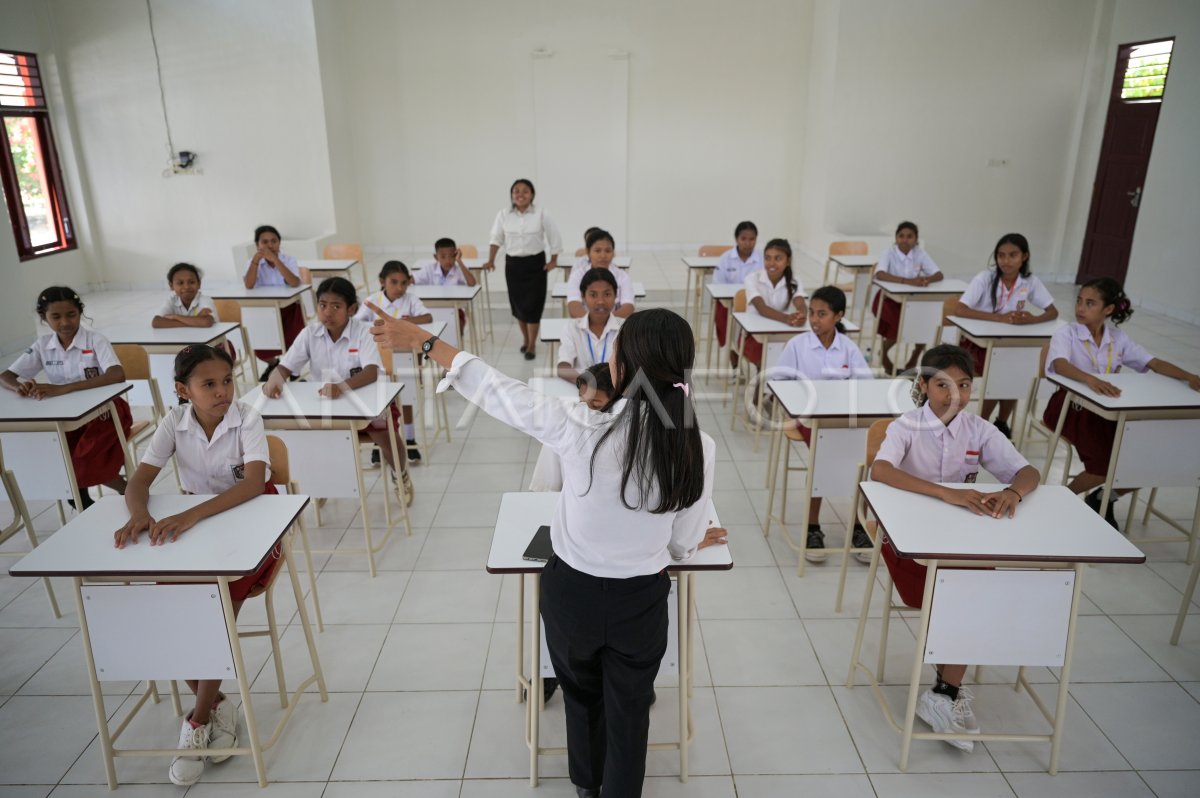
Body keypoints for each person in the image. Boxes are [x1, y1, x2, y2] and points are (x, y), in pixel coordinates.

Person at [367, 305, 727, 798]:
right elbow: (682, 543)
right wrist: (687, 538)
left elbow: (499, 392)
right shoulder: (697, 444)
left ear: (623, 367)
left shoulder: (581, 425)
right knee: (630, 706)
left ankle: (586, 785)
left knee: (581, 697)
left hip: (571, 595)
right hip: (641, 601)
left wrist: (428, 343)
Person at [112, 345, 274, 786]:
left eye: (227, 381)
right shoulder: (173, 422)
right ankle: (221, 703)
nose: (222, 391)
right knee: (172, 614)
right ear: (183, 390)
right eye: (209, 384)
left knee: (215, 613)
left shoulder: (248, 418)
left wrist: (191, 514)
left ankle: (198, 721)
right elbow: (140, 480)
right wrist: (139, 513)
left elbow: (256, 483)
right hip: (203, 530)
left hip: (256, 526)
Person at [871, 344, 1040, 751]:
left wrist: (1013, 493)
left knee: (978, 589)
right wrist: (945, 493)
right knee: (961, 594)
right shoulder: (906, 427)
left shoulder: (978, 429)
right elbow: (880, 470)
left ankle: (944, 692)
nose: (955, 396)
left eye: (964, 385)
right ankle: (947, 690)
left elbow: (1028, 471)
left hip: (962, 539)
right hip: (908, 540)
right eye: (944, 385)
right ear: (924, 385)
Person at [1043, 278, 1200, 526]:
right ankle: (1060, 499)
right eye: (1080, 301)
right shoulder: (1067, 332)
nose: (1081, 308)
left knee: (1152, 460)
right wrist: (1089, 379)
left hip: (1112, 411)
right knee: (1104, 465)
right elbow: (1060, 364)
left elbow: (1154, 363)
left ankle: (1105, 497)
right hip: (1072, 407)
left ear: (1108, 310)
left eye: (1090, 303)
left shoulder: (1118, 338)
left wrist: (1189, 377)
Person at [265, 278, 414, 505]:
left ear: (351, 309)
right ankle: (321, 482)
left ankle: (400, 474)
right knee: (306, 435)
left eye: (336, 306)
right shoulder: (309, 334)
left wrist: (341, 387)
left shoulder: (364, 332)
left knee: (384, 435)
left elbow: (372, 371)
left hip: (369, 400)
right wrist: (274, 380)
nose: (327, 312)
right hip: (327, 404)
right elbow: (285, 366)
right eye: (322, 305)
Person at [1, 286, 132, 511]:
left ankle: (126, 489)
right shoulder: (43, 346)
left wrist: (65, 389)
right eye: (56, 317)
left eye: (71, 315)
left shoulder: (95, 340)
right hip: (65, 417)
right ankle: (80, 497)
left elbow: (117, 374)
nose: (64, 322)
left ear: (80, 313)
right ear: (44, 318)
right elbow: (6, 376)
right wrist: (19, 387)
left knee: (82, 460)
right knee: (55, 457)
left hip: (105, 413)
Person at [773, 286, 874, 562]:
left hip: (843, 418)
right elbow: (779, 382)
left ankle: (858, 525)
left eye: (822, 314)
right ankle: (812, 527)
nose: (814, 320)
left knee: (856, 460)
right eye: (811, 313)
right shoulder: (798, 346)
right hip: (809, 417)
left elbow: (866, 386)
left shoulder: (849, 349)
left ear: (838, 316)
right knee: (826, 455)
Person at [954, 233, 1058, 436]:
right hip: (979, 343)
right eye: (1001, 255)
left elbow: (1053, 312)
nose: (1006, 261)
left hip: (1011, 343)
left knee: (1014, 374)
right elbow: (960, 310)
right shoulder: (985, 278)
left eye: (1012, 255)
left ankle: (1000, 422)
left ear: (1024, 256)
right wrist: (1000, 318)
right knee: (1001, 375)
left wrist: (1032, 320)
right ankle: (980, 424)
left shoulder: (1029, 281)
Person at [356, 261, 433, 463]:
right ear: (382, 281)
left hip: (405, 357)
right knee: (379, 402)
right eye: (394, 282)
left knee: (407, 398)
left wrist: (399, 324)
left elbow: (427, 317)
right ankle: (378, 443)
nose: (399, 288)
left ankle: (409, 439)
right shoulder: (373, 300)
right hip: (376, 359)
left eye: (404, 283)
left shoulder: (410, 300)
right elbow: (355, 323)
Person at [485, 179, 563, 360]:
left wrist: (554, 260)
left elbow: (554, 236)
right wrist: (490, 260)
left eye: (525, 191)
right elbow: (495, 238)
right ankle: (525, 338)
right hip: (513, 266)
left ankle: (531, 344)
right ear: (512, 195)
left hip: (535, 265)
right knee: (519, 306)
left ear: (532, 195)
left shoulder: (542, 213)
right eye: (516, 191)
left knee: (534, 307)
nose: (520, 194)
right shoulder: (504, 214)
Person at [872, 221, 942, 374]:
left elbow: (938, 274)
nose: (905, 239)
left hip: (913, 300)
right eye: (901, 236)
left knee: (925, 324)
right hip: (888, 300)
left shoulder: (920, 253)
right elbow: (880, 274)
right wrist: (907, 281)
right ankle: (884, 354)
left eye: (910, 236)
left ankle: (915, 357)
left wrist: (927, 280)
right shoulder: (888, 253)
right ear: (896, 238)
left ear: (916, 239)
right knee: (900, 326)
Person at [242, 224, 305, 368]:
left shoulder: (288, 260)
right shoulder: (252, 262)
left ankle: (292, 370)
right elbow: (249, 285)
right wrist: (256, 261)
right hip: (264, 311)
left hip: (289, 309)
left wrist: (276, 260)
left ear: (279, 243)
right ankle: (273, 365)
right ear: (257, 245)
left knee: (294, 344)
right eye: (264, 242)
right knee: (261, 347)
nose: (270, 245)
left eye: (274, 241)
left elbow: (294, 282)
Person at [739, 238, 807, 368]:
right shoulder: (752, 279)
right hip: (753, 336)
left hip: (780, 333)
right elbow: (761, 308)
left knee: (794, 358)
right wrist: (787, 318)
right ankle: (760, 388)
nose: (772, 263)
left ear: (788, 261)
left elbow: (800, 302)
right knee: (765, 364)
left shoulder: (794, 281)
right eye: (767, 258)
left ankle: (776, 387)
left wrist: (801, 316)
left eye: (778, 258)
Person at [558, 269, 624, 384]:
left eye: (607, 294)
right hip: (582, 391)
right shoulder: (572, 327)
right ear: (583, 297)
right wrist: (587, 384)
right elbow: (563, 367)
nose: (600, 301)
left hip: (616, 393)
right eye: (593, 295)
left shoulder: (626, 328)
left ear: (615, 296)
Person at [712, 221, 762, 356]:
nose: (748, 243)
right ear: (737, 239)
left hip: (755, 304)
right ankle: (734, 362)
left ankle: (757, 362)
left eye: (752, 239)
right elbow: (717, 285)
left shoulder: (762, 259)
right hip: (729, 304)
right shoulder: (726, 258)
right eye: (743, 239)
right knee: (731, 328)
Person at [564, 229, 635, 319]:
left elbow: (628, 307)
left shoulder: (622, 276)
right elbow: (574, 306)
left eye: (608, 251)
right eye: (597, 251)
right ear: (588, 252)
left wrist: (607, 323)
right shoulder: (577, 275)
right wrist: (592, 323)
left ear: (613, 253)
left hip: (616, 324)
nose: (603, 256)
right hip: (583, 325)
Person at [153, 263, 219, 328]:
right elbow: (156, 322)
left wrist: (175, 317)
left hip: (210, 338)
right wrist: (196, 321)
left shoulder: (205, 300)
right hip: (187, 338)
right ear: (171, 286)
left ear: (199, 284)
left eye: (192, 282)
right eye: (180, 283)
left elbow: (206, 322)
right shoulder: (171, 300)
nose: (186, 287)